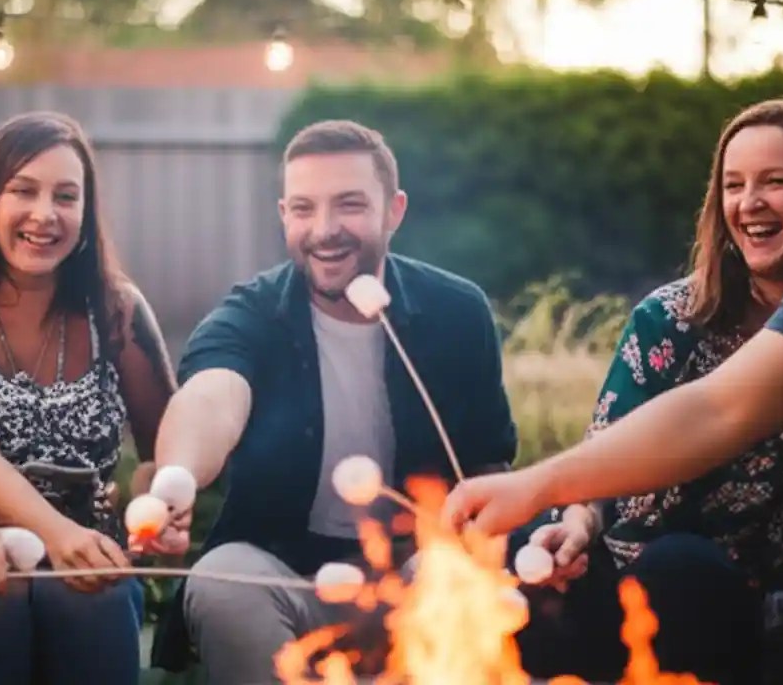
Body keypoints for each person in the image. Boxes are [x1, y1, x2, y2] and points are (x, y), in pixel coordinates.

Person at [442, 18, 783, 685]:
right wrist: (539, 488)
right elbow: (715, 409)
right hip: (651, 567)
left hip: (756, 573)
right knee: (744, 559)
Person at [502, 99, 783, 685]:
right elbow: (603, 458)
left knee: (686, 572)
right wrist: (574, 527)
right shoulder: (672, 319)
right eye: (734, 185)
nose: (749, 202)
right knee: (519, 547)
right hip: (622, 579)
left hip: (747, 594)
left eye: (776, 182)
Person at [144, 119, 519, 683]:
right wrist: (176, 479)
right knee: (221, 579)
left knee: (460, 566)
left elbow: (490, 467)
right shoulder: (251, 313)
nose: (324, 230)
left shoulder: (458, 313)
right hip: (284, 578)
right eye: (303, 209)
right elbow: (212, 397)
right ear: (283, 216)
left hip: (415, 576)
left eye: (348, 206)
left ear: (394, 210)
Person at [0, 111, 174, 685]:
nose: (45, 215)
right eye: (23, 190)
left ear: (85, 213)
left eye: (66, 197)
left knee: (90, 600)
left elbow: (160, 451)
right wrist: (57, 535)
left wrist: (159, 508)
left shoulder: (116, 310)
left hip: (89, 536)